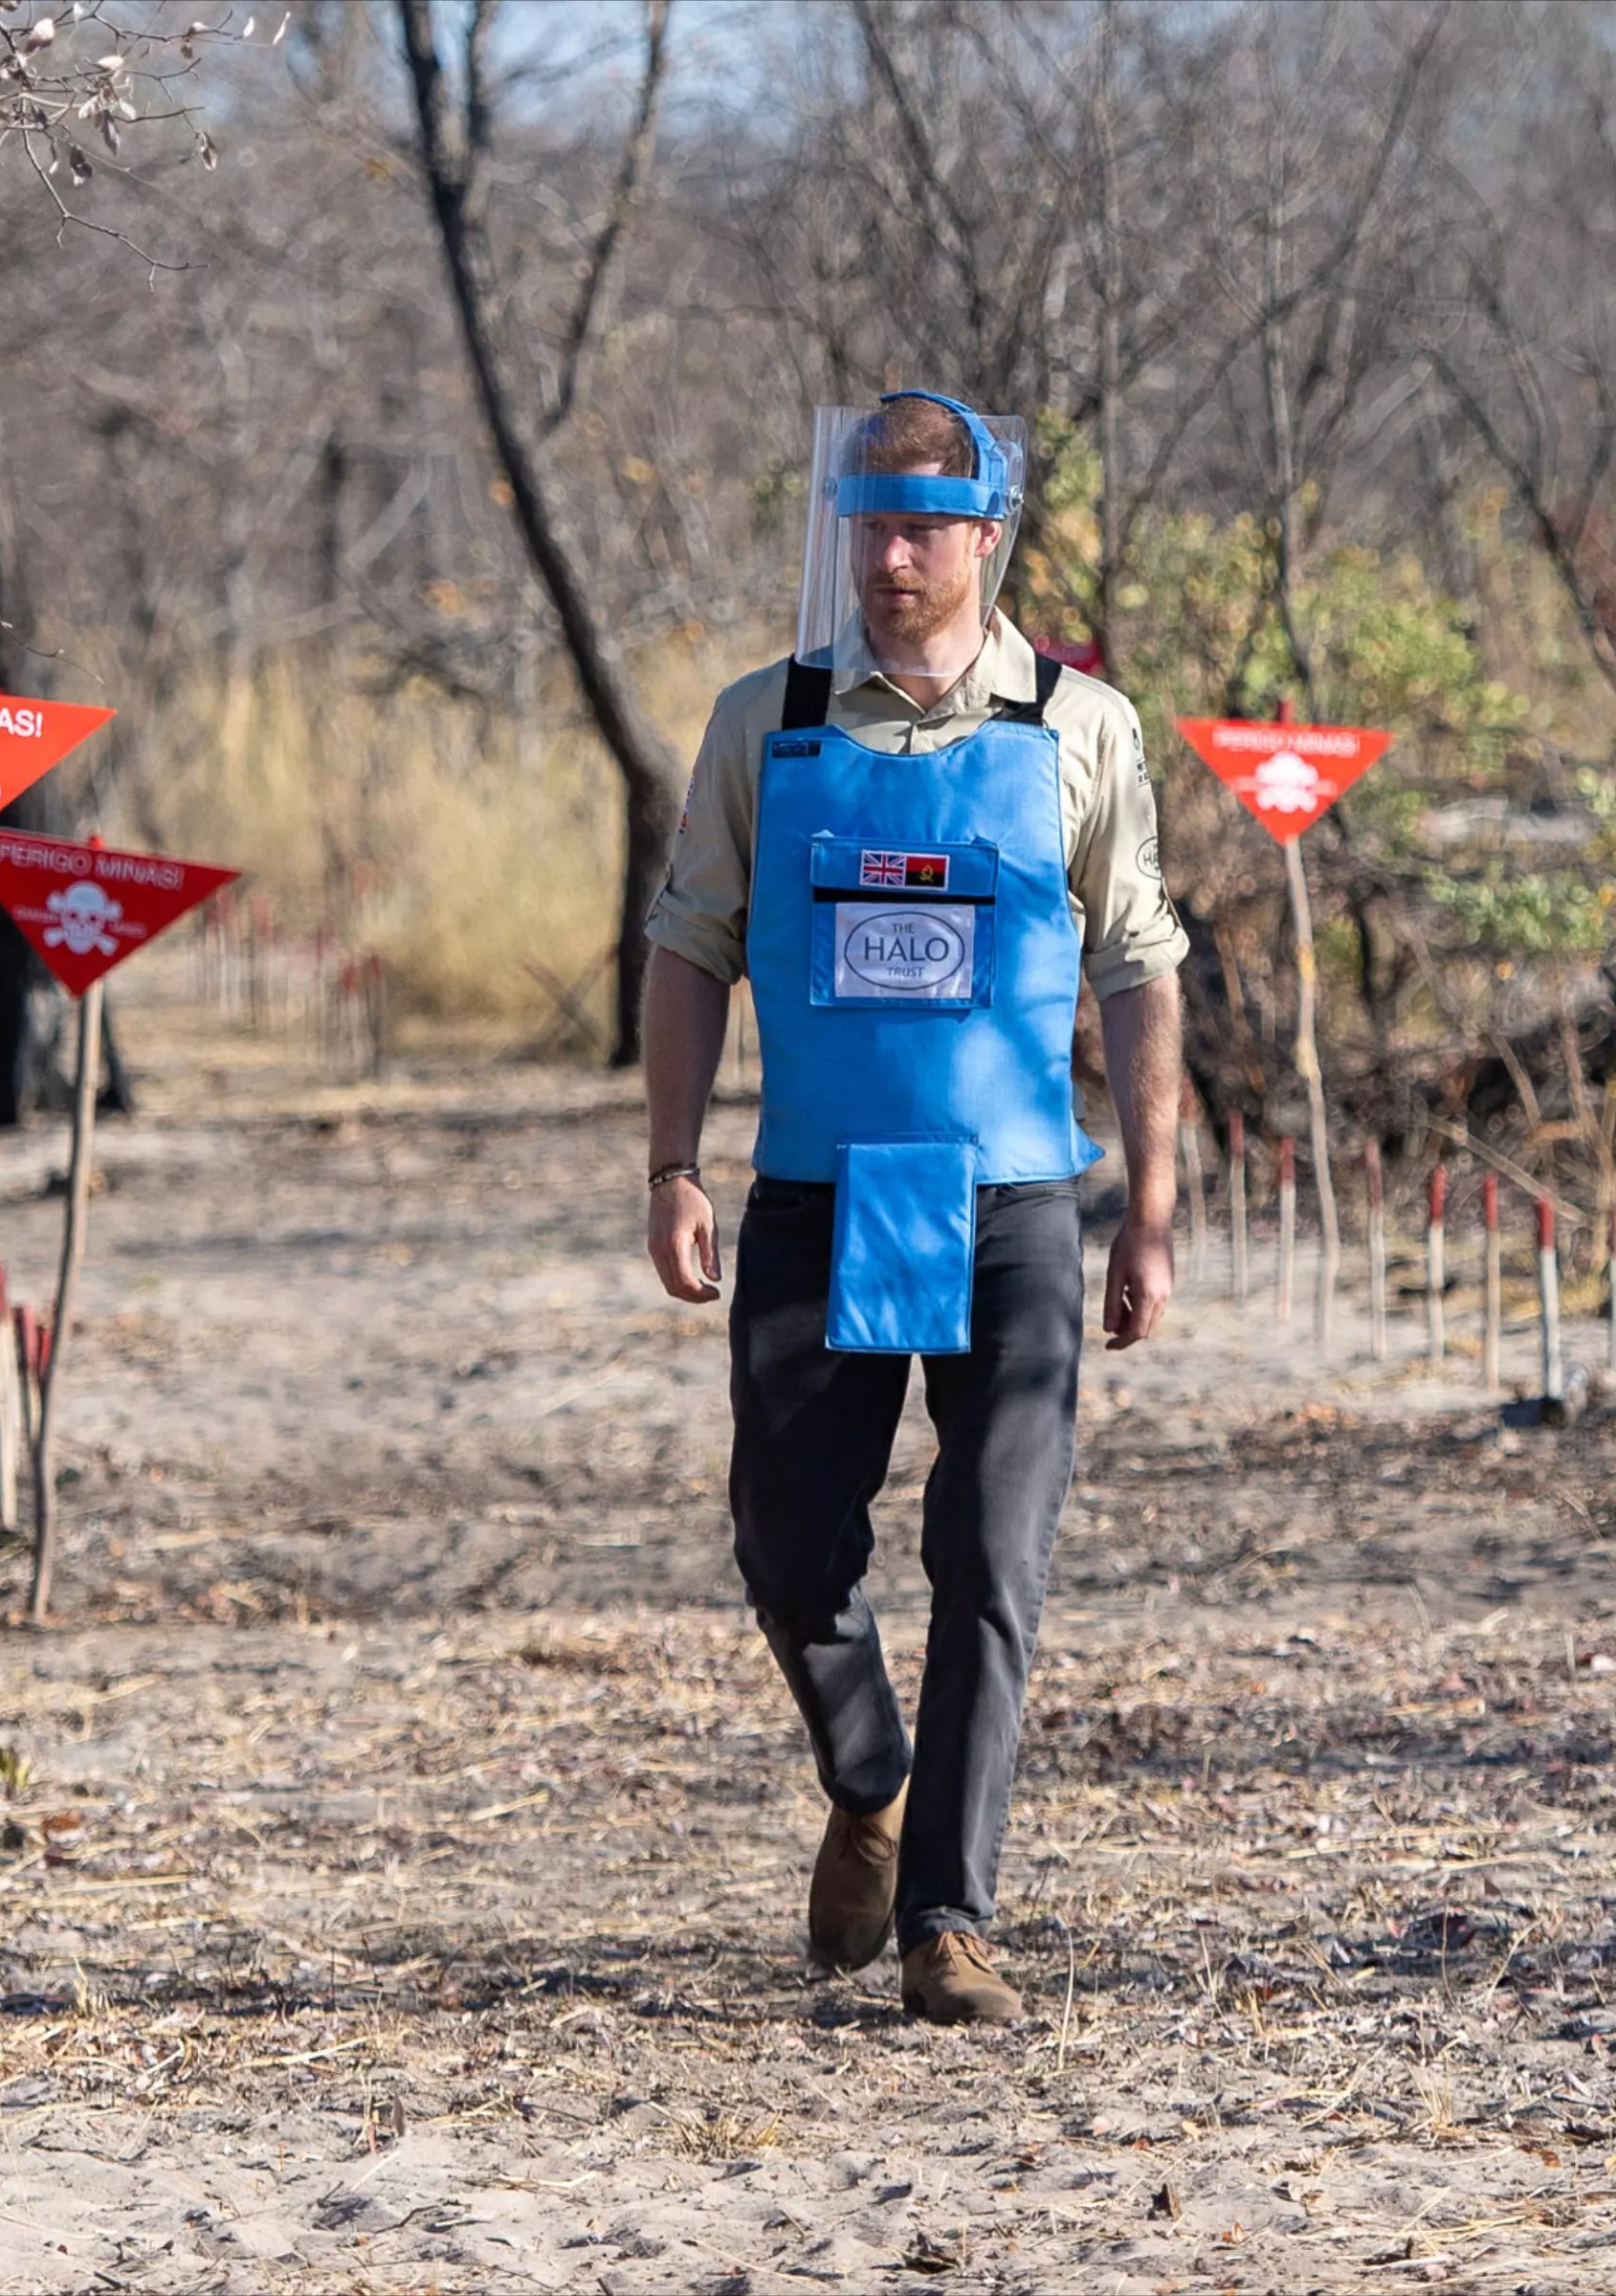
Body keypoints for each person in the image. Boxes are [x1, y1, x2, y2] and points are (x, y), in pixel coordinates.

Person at [638, 390, 1186, 2026]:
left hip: (1015, 1197)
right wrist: (674, 1159)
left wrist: (1148, 1208)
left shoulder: (1080, 726)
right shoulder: (770, 722)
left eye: (926, 526)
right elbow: (687, 943)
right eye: (867, 524)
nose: (891, 556)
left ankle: (950, 1912)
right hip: (819, 1190)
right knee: (788, 1545)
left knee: (990, 1550)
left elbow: (1139, 962)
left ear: (987, 534)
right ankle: (866, 1771)